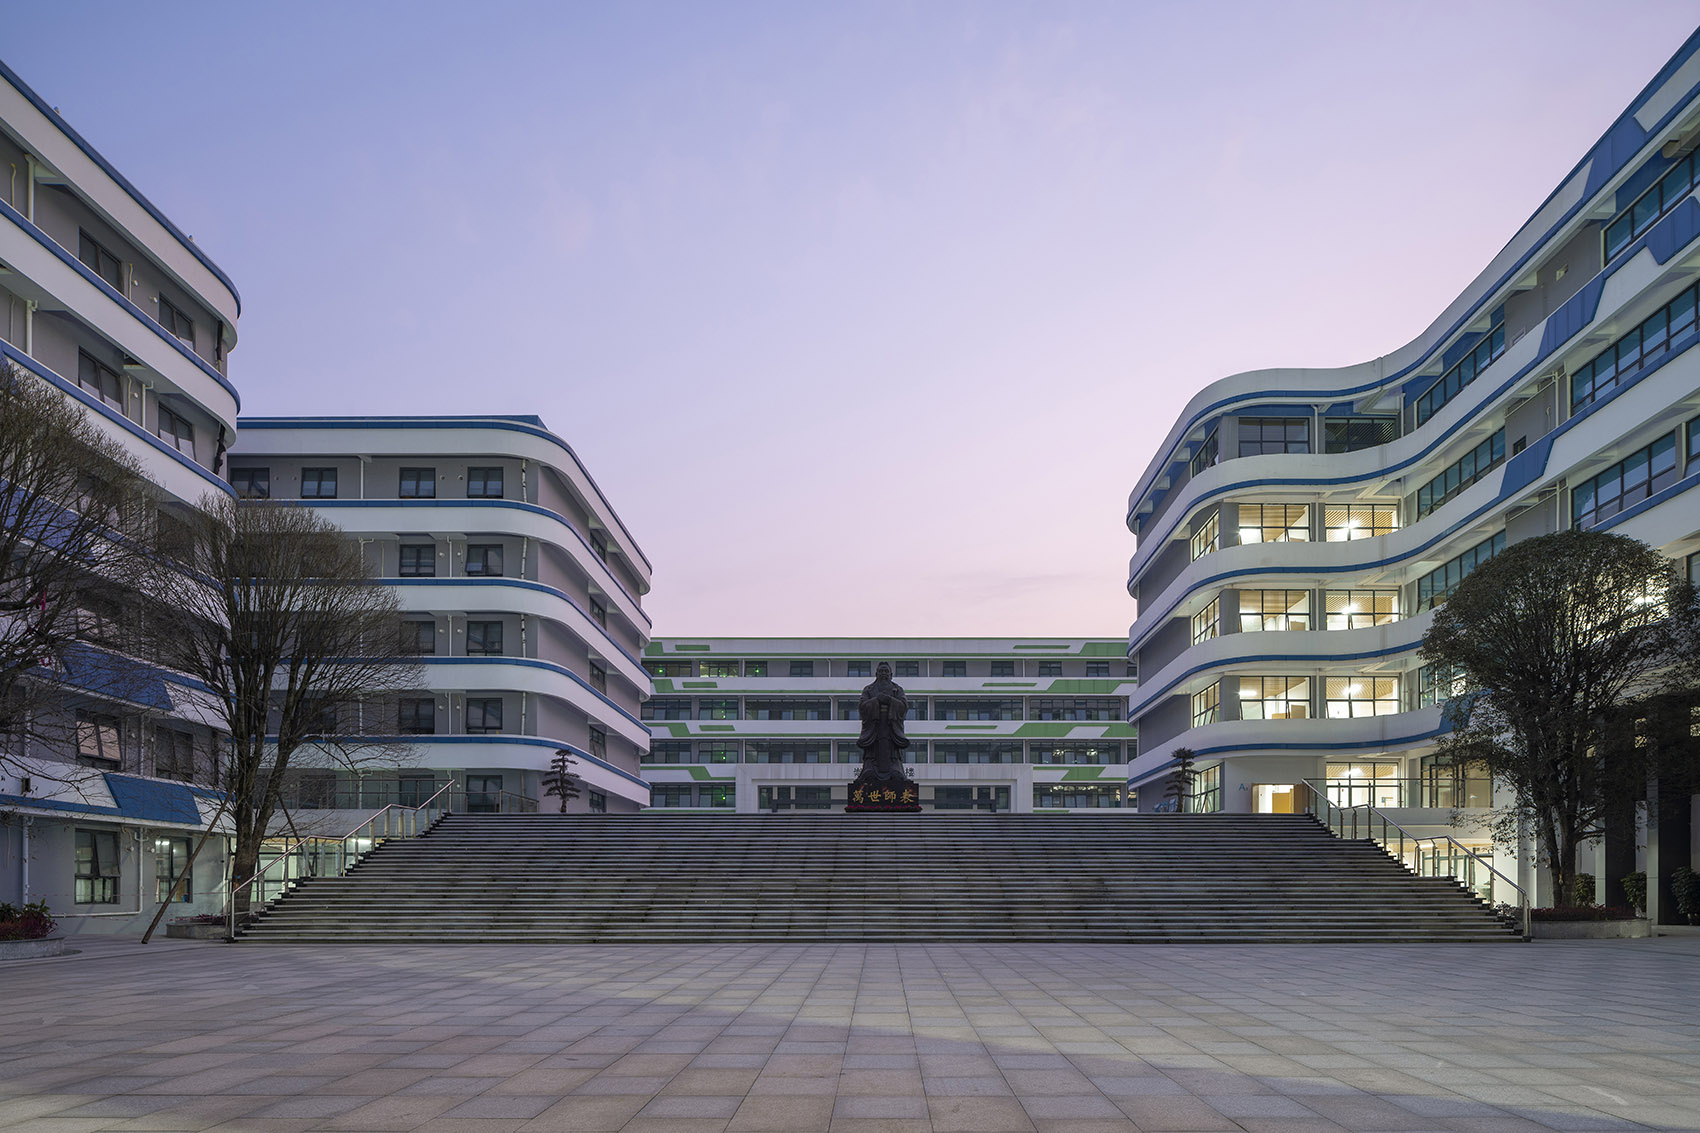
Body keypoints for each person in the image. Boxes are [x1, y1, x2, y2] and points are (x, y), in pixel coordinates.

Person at [856, 661, 910, 781]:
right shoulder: (869, 689)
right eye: (881, 671)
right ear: (876, 674)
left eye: (886, 671)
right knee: (872, 752)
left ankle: (895, 767)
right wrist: (876, 700)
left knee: (892, 753)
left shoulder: (897, 689)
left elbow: (904, 706)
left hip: (891, 726)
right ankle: (870, 767)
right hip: (875, 726)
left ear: (891, 674)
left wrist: (890, 700)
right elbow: (862, 707)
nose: (883, 673)